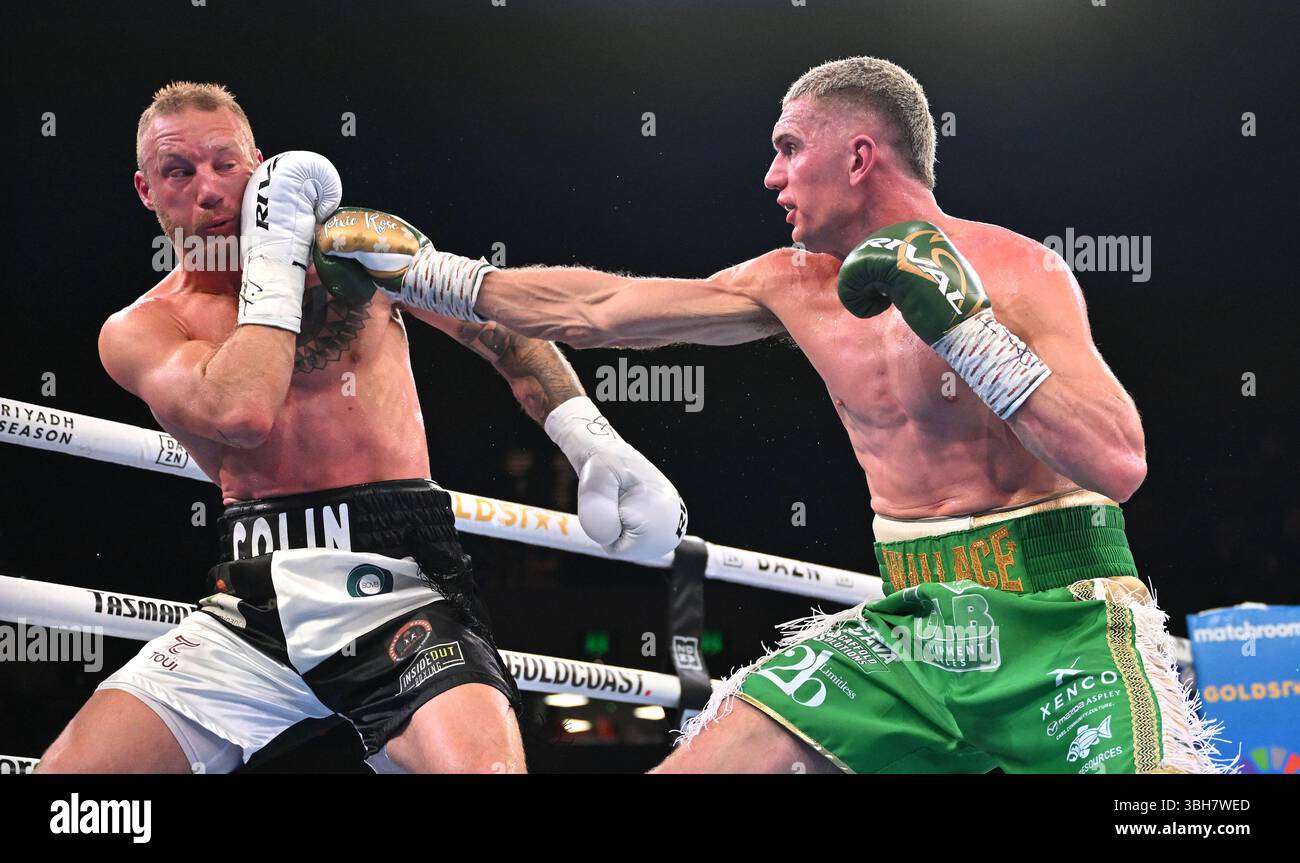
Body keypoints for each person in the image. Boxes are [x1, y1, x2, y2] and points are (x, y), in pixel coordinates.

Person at [391, 57, 1228, 773]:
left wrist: (967, 331)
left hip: (1062, 615)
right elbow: (601, 308)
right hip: (918, 624)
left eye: (789, 148)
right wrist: (420, 273)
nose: (772, 176)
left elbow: (1118, 462)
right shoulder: (789, 283)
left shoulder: (1018, 272)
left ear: (859, 155)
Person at [35, 82, 685, 774]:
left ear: (261, 164)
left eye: (227, 164)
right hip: (254, 596)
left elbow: (499, 330)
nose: (210, 190)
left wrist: (592, 440)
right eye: (179, 171)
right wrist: (275, 257)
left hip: (402, 577)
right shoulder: (141, 329)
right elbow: (242, 411)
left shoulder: (357, 250)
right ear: (145, 189)